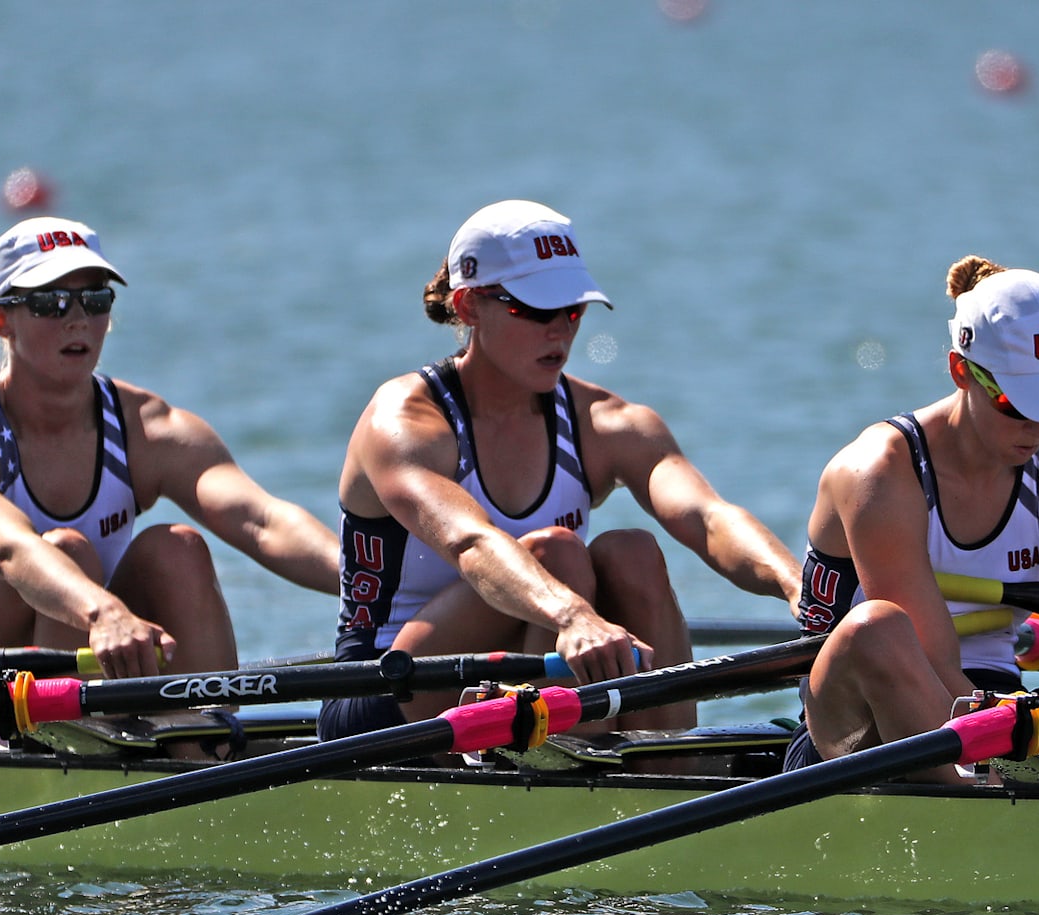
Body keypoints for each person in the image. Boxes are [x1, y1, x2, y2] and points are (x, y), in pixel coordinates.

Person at [320, 199, 800, 740]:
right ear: (470, 305)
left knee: (633, 553)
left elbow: (708, 518)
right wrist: (573, 616)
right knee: (556, 553)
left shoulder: (606, 422)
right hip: (382, 696)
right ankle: (568, 756)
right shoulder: (405, 422)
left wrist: (801, 590)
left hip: (514, 683)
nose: (561, 332)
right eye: (537, 311)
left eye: (573, 311)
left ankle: (668, 763)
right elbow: (471, 544)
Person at [0, 216, 341, 749]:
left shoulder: (145, 426)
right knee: (66, 553)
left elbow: (261, 521)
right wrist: (104, 612)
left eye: (95, 300)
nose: (77, 319)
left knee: (179, 549)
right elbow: (10, 551)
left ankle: (200, 754)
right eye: (51, 302)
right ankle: (62, 758)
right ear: (1, 320)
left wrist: (371, 588)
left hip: (62, 684)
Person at [784, 256, 1039, 784]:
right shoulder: (879, 473)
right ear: (961, 370)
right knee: (878, 628)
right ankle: (989, 808)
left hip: (1003, 718)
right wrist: (1007, 768)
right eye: (1018, 405)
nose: (1037, 427)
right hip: (859, 730)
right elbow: (936, 663)